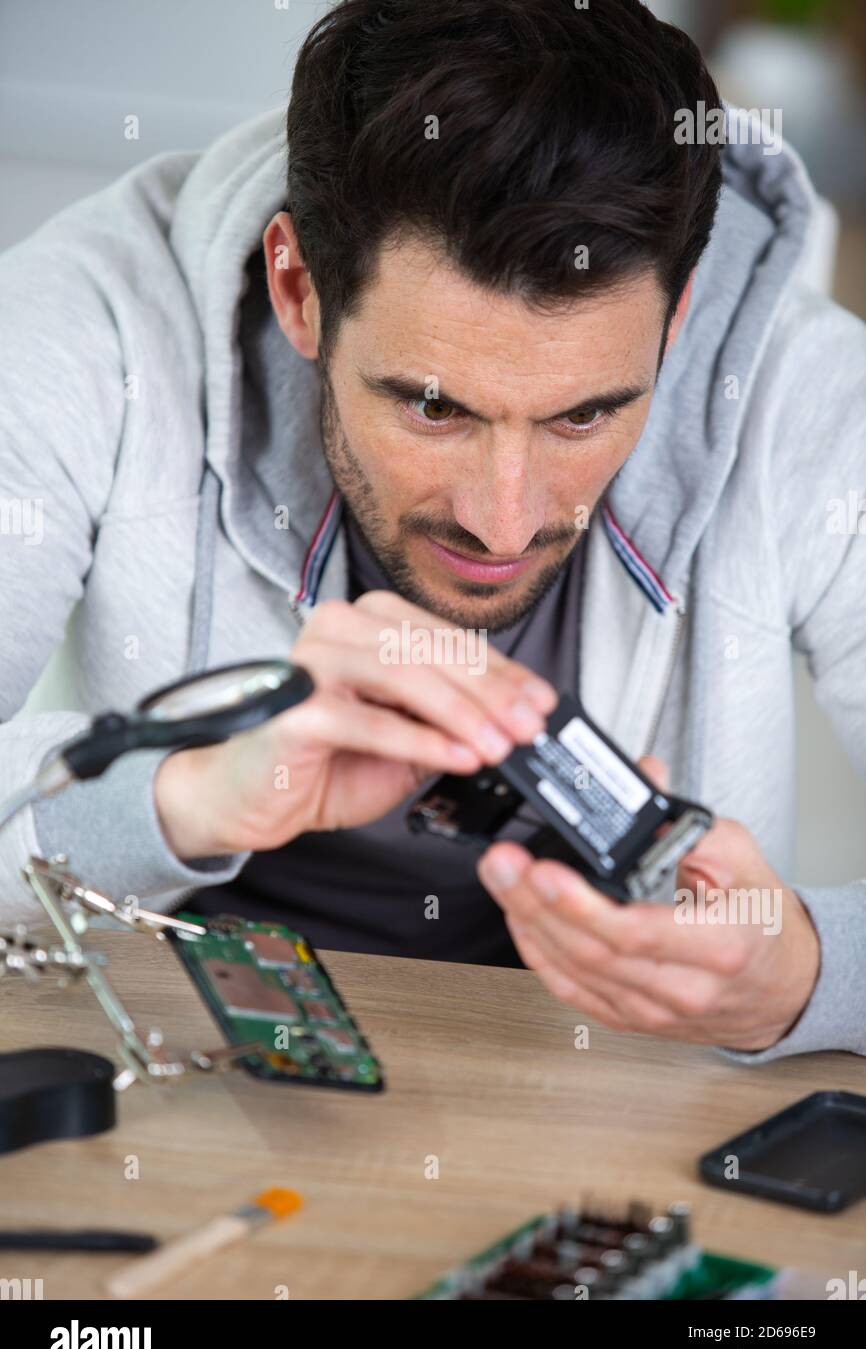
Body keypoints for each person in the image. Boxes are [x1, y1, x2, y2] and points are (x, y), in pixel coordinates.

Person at [1, 0, 863, 1062]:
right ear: (298, 287)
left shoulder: (812, 393)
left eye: (583, 414)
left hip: (615, 1122)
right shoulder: (77, 329)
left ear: (676, 320)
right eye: (432, 406)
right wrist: (182, 795)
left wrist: (812, 973)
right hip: (186, 1086)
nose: (501, 519)